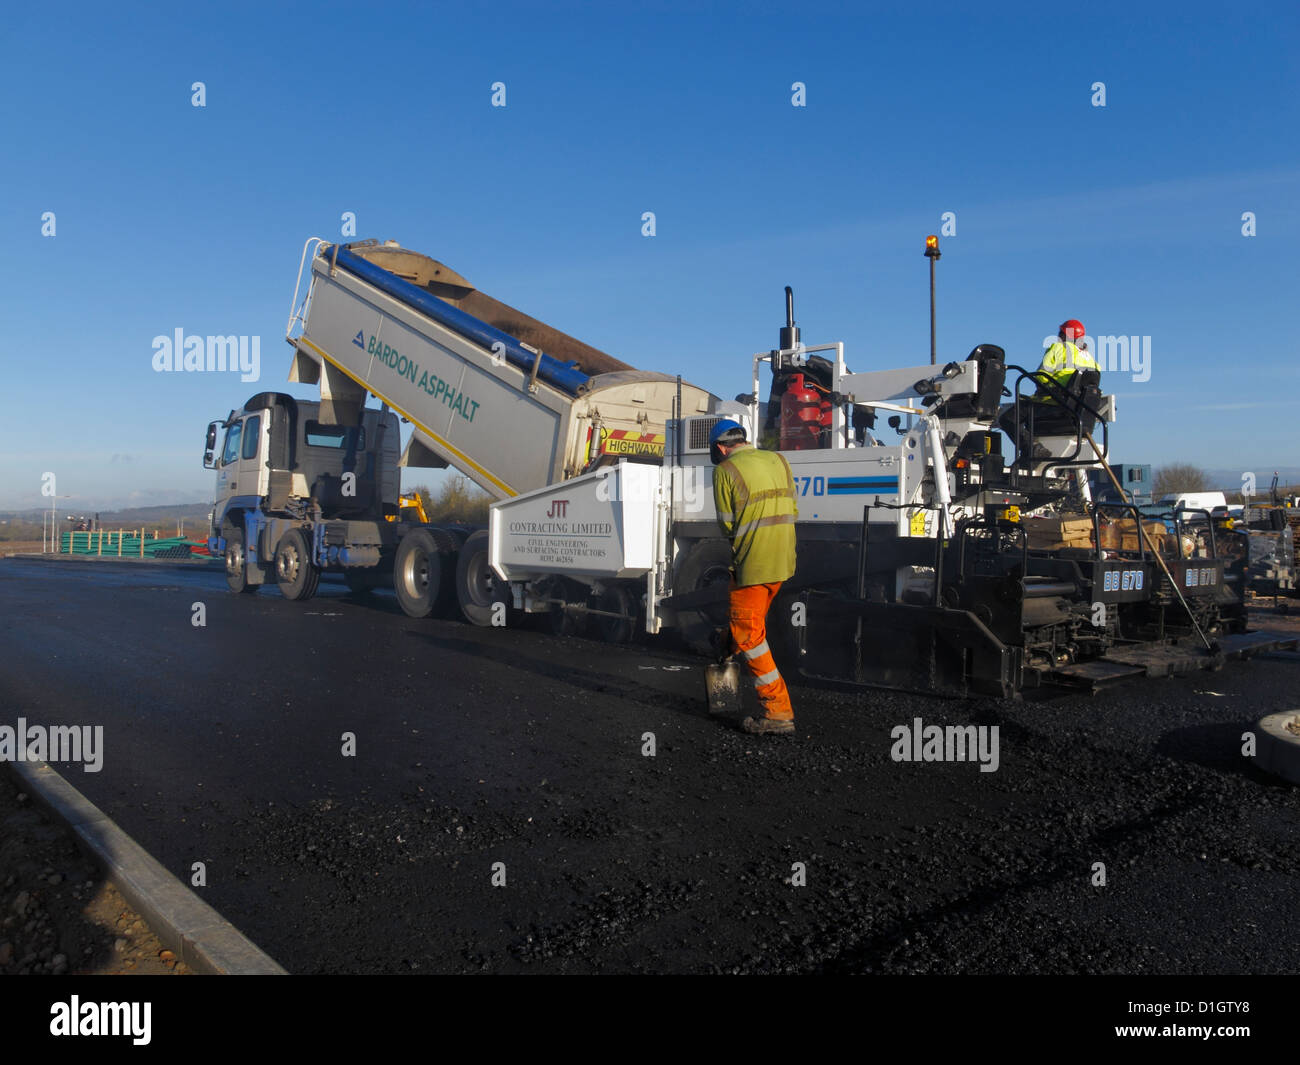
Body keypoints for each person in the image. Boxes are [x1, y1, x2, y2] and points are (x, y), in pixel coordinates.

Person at [709, 419, 798, 735]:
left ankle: (777, 710)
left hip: (754, 564)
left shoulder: (724, 470)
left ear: (721, 448)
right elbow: (792, 508)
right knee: (749, 620)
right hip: (783, 560)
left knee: (750, 634)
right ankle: (725, 644)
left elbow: (727, 525)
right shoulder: (778, 460)